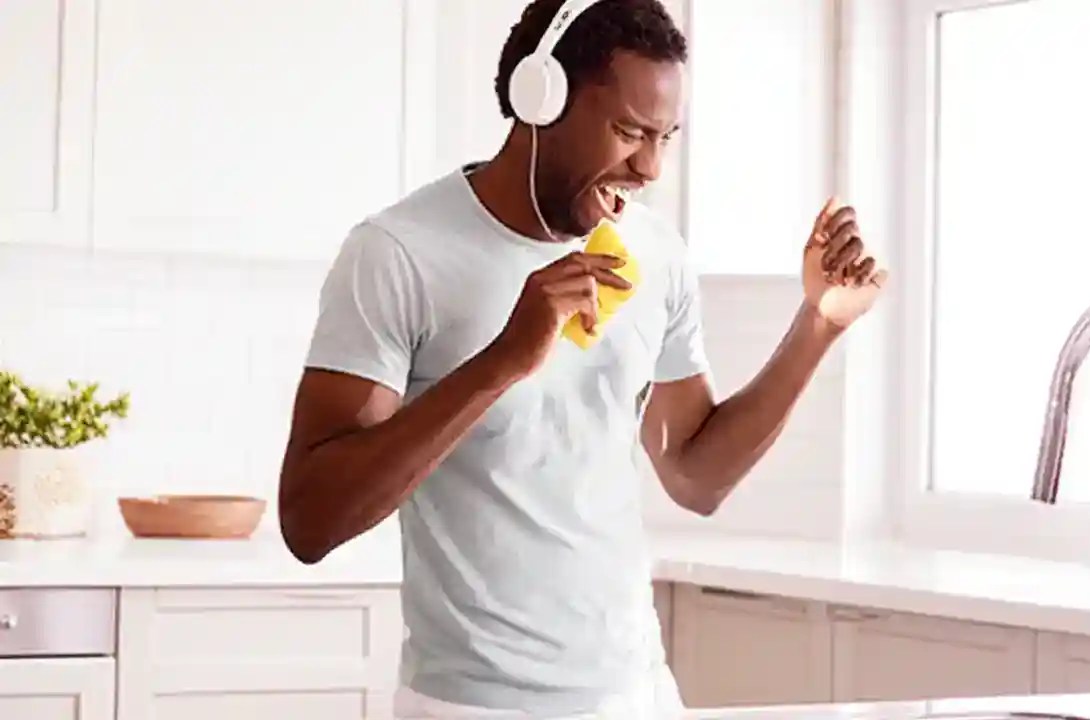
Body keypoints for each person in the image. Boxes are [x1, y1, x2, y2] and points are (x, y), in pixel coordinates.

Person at [277, 0, 888, 717]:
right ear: (540, 97)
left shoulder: (656, 254)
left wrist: (817, 325)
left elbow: (696, 475)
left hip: (637, 694)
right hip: (473, 705)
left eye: (665, 137)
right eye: (629, 131)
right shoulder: (397, 254)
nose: (650, 167)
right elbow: (311, 521)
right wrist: (505, 358)